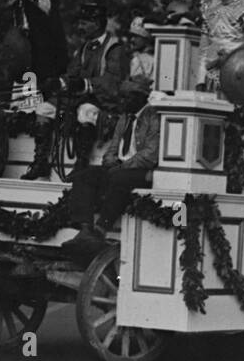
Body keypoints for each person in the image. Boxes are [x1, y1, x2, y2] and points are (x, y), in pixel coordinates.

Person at [60, 91, 166, 255]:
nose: (123, 100)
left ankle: (101, 230)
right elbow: (113, 148)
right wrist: (111, 162)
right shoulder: (125, 117)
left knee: (119, 178)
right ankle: (85, 229)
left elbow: (149, 155)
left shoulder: (153, 116)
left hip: (143, 170)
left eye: (128, 97)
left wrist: (121, 167)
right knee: (85, 176)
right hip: (122, 167)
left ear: (140, 97)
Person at [43, 0, 128, 177]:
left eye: (84, 23)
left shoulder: (115, 48)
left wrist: (85, 84)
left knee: (86, 111)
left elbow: (113, 82)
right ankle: (40, 161)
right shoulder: (83, 47)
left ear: (96, 24)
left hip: (104, 101)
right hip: (78, 98)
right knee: (44, 109)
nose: (80, 27)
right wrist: (58, 82)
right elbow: (72, 73)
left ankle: (81, 163)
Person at [9, 0, 70, 180]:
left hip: (41, 65)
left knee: (39, 109)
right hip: (28, 66)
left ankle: (40, 161)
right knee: (22, 108)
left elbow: (38, 34)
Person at [127, 17, 155, 83]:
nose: (132, 40)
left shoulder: (137, 59)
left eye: (136, 36)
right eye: (132, 36)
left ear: (146, 39)